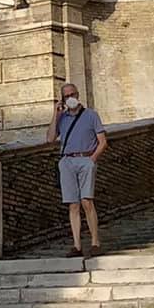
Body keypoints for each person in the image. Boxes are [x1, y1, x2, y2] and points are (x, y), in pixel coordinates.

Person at [45, 83, 107, 257]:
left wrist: (92, 159)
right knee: (73, 204)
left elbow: (102, 141)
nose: (70, 97)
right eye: (66, 96)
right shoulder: (62, 118)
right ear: (62, 99)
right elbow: (50, 138)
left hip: (85, 158)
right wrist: (55, 114)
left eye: (73, 94)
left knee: (87, 201)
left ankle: (95, 242)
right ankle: (77, 245)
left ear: (78, 95)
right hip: (67, 161)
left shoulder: (91, 115)